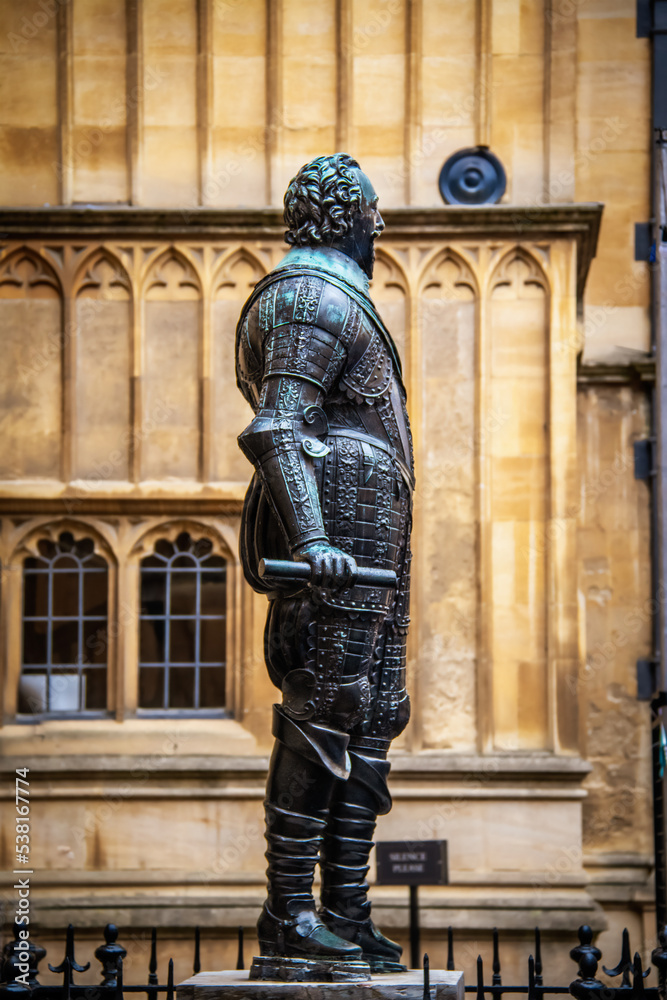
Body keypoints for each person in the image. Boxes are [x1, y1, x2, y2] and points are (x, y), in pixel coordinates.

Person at [235, 153, 413, 972]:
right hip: (338, 538)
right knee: (324, 706)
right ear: (339, 215)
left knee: (374, 710)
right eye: (370, 210)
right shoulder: (309, 296)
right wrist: (311, 544)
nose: (379, 224)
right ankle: (288, 917)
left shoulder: (341, 297)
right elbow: (277, 427)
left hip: (371, 536)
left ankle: (345, 908)